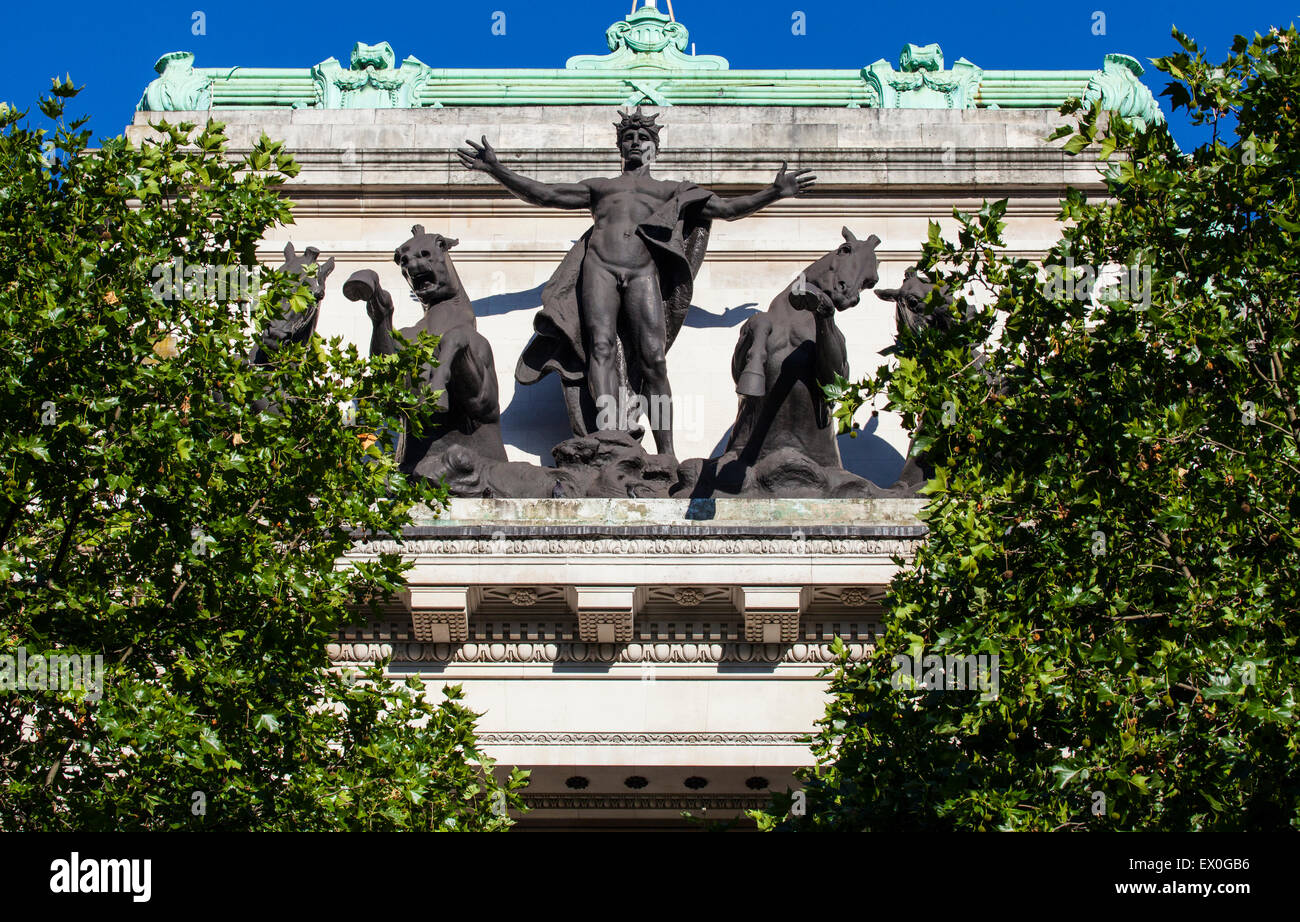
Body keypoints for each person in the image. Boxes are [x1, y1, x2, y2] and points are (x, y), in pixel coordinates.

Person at [458, 108, 814, 458]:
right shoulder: (601, 187)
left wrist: (773, 192)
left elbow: (727, 210)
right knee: (600, 349)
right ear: (620, 147)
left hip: (643, 272)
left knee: (654, 360)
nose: (635, 142)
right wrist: (497, 170)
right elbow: (548, 195)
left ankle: (667, 451)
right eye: (628, 137)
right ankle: (608, 434)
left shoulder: (672, 190)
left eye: (643, 137)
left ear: (654, 148)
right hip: (600, 268)